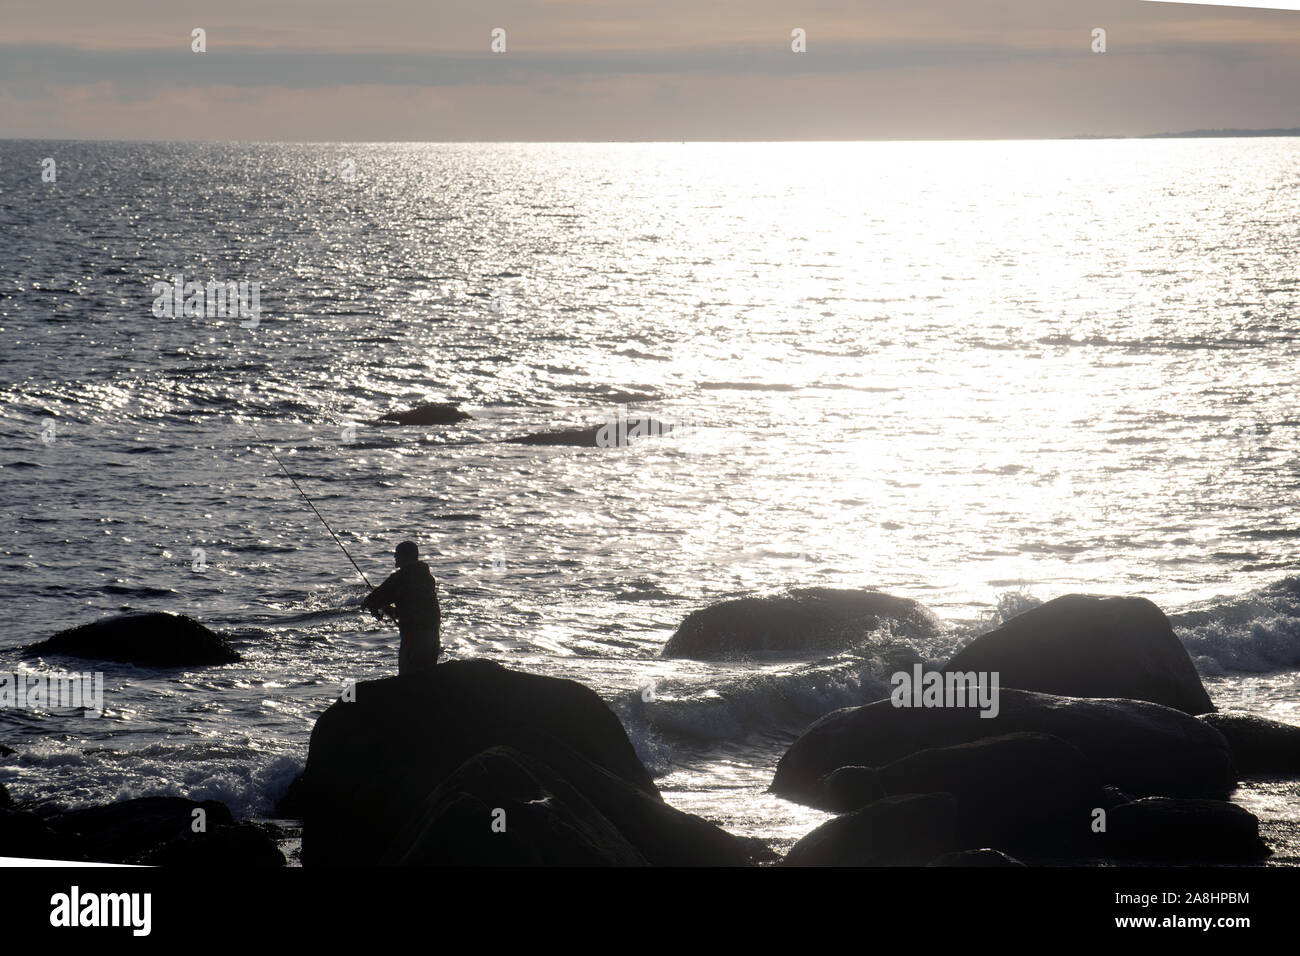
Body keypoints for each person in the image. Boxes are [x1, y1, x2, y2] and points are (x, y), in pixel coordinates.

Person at [361, 540, 441, 675]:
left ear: (405, 556)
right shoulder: (426, 577)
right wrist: (391, 610)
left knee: (408, 677)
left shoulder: (402, 577)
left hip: (414, 637)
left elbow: (373, 599)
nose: (395, 557)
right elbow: (416, 605)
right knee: (426, 678)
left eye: (397, 554)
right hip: (433, 636)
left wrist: (370, 604)